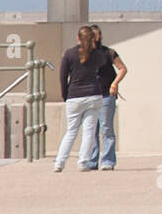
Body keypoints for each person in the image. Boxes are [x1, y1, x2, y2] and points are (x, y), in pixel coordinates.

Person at [54, 26, 109, 173]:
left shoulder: (69, 54)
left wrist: (65, 95)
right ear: (92, 39)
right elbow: (103, 61)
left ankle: (59, 163)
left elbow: (62, 76)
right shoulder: (96, 54)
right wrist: (94, 45)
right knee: (89, 132)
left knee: (71, 131)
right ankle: (83, 163)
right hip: (93, 95)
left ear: (78, 37)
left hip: (74, 96)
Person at [85, 25, 127, 171]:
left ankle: (108, 160)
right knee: (91, 130)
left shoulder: (109, 53)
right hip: (89, 96)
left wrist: (114, 84)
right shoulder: (84, 55)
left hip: (106, 96)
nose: (97, 38)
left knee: (106, 129)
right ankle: (92, 161)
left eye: (99, 35)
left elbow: (122, 68)